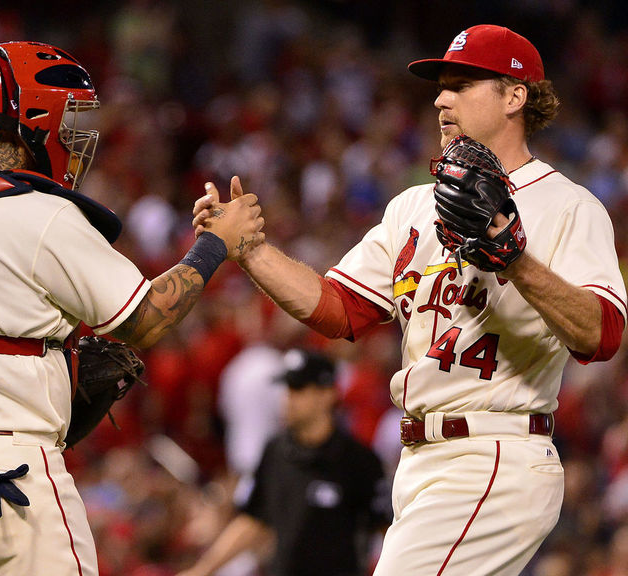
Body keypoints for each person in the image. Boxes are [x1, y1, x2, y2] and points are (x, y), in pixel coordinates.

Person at [194, 24, 627, 575]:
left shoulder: (568, 205)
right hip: (419, 459)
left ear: (516, 96)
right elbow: (337, 309)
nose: (442, 99)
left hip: (494, 452)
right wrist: (251, 251)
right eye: (441, 86)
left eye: (464, 83)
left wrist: (513, 257)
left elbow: (602, 334)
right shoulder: (414, 205)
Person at [0, 42, 263, 576]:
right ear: (28, 119)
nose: (72, 134)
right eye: (64, 114)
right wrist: (217, 244)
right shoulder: (38, 211)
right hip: (2, 476)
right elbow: (147, 318)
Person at [178, 348, 388, 576]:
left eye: (298, 389)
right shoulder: (275, 451)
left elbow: (387, 530)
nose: (288, 398)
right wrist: (203, 569)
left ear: (328, 395)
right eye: (287, 388)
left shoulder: (359, 461)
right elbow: (254, 520)